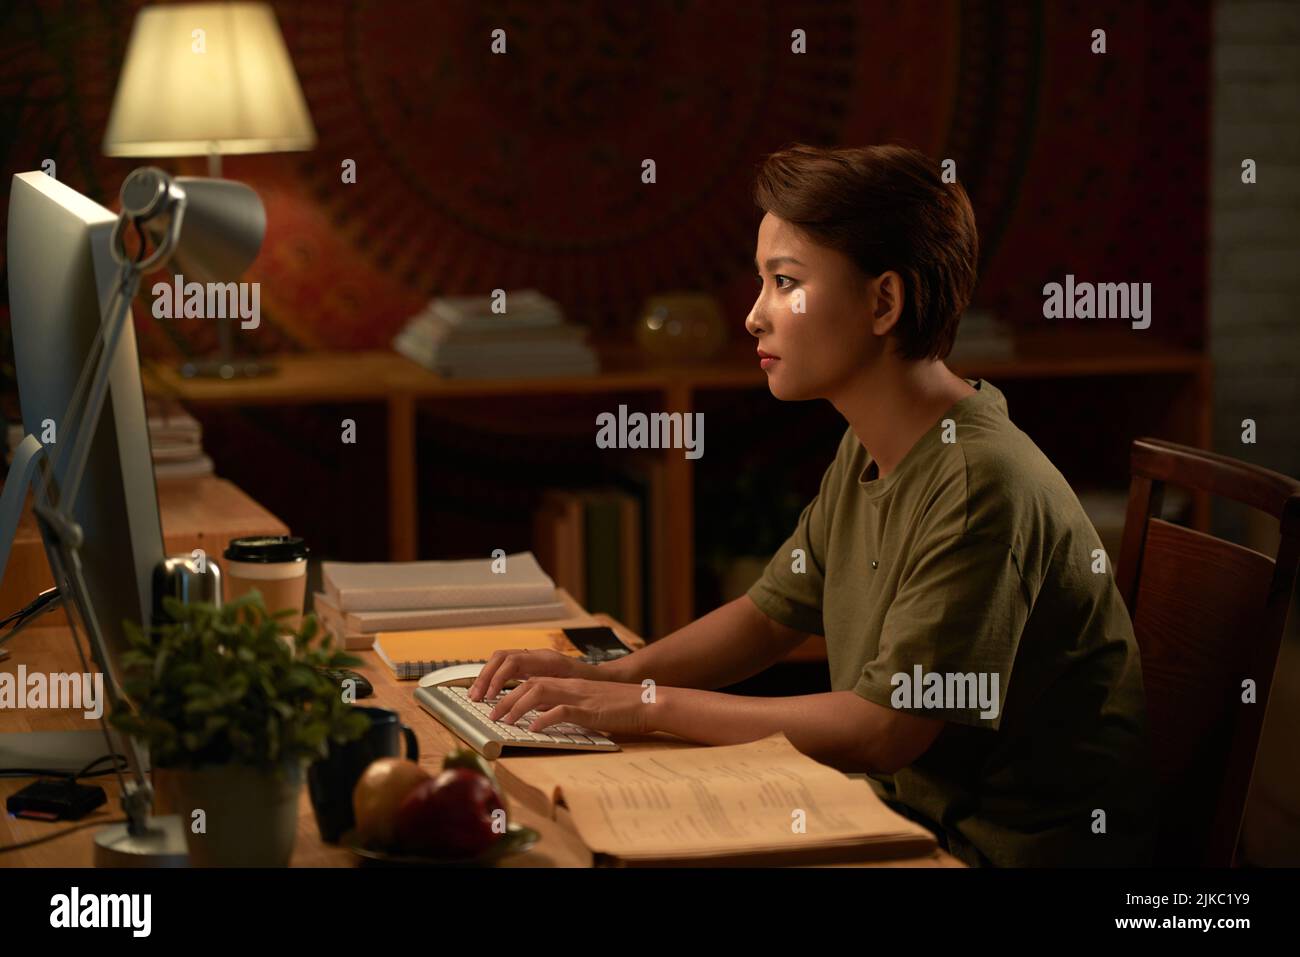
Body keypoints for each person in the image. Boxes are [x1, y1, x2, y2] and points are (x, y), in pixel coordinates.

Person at [469, 143, 1156, 867]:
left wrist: (646, 706)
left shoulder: (977, 482)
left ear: (883, 301)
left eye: (784, 281)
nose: (754, 318)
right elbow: (767, 617)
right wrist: (610, 677)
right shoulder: (870, 445)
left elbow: (885, 729)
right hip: (897, 812)